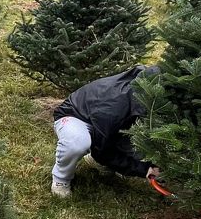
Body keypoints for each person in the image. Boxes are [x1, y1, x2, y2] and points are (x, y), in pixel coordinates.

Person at [51, 65, 162, 198]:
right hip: (75, 116)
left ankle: (93, 160)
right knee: (78, 143)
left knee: (137, 148)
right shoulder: (115, 105)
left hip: (105, 122)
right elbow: (102, 151)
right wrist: (144, 170)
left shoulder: (142, 88)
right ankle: (61, 179)